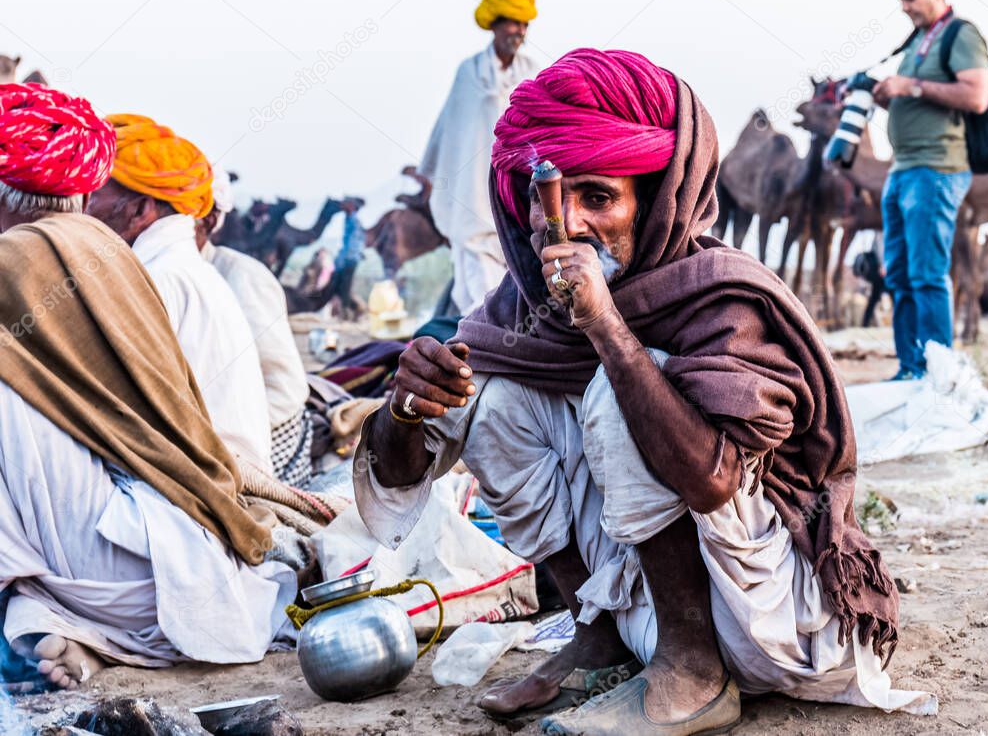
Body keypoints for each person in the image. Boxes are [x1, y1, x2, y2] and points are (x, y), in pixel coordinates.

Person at [354, 50, 936, 735]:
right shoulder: (518, 313)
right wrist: (403, 402)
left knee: (623, 382)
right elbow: (397, 473)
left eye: (598, 197)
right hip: (639, 612)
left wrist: (606, 326)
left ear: (654, 202)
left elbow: (712, 480)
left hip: (767, 615)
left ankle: (693, 672)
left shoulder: (722, 298)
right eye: (547, 197)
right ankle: (594, 636)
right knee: (494, 393)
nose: (562, 223)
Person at [0, 83, 294, 689]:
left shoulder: (26, 255)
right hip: (187, 538)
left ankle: (81, 626)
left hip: (148, 552)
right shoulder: (103, 248)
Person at [87, 115, 274, 480]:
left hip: (201, 497)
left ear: (140, 210)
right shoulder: (181, 269)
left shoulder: (159, 279)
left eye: (94, 196)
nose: (82, 208)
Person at [872, 0, 988, 379]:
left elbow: (977, 95)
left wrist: (912, 86)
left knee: (926, 274)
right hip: (901, 170)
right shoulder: (917, 39)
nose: (904, 5)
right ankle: (911, 370)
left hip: (936, 169)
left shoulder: (961, 34)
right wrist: (892, 95)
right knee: (900, 276)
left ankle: (942, 377)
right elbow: (916, 94)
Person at [418, 0, 541, 315]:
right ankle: (482, 339)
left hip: (514, 188)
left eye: (524, 25)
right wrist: (428, 169)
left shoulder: (532, 72)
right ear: (496, 27)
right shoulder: (469, 72)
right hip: (471, 193)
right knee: (476, 282)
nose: (520, 32)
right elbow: (449, 126)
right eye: (513, 24)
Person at [195, 167, 315, 488]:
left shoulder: (240, 276)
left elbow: (286, 388)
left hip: (262, 439)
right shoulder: (173, 274)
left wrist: (217, 443)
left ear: (207, 221)